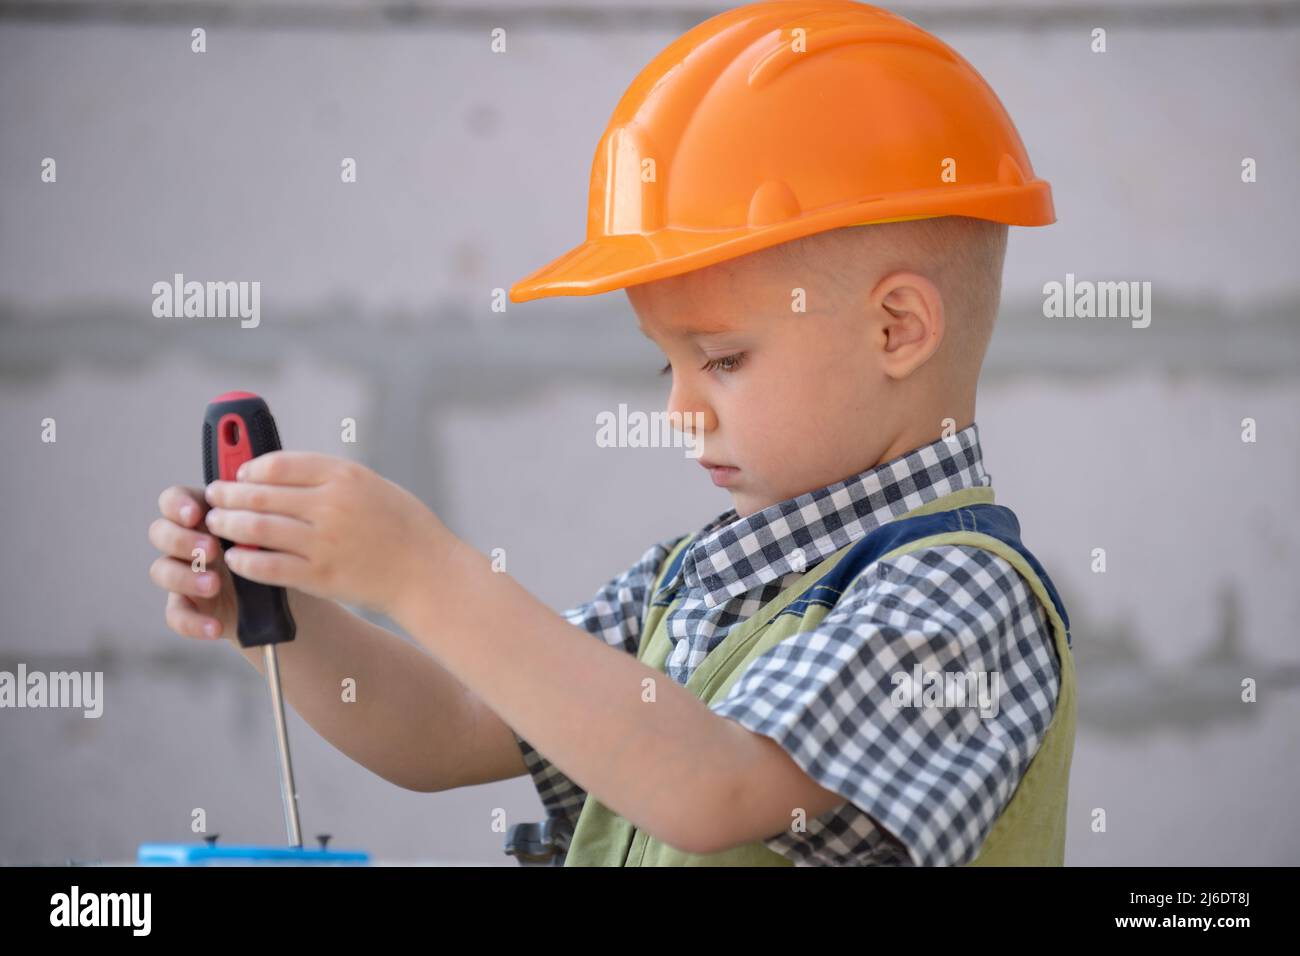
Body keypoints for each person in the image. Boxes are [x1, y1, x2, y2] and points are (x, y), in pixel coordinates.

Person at [148, 1, 1074, 866]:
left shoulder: (958, 600)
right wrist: (284, 613)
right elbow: (453, 723)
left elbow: (713, 787)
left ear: (896, 330)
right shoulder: (695, 584)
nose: (679, 408)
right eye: (662, 362)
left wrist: (418, 569)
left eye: (721, 360)